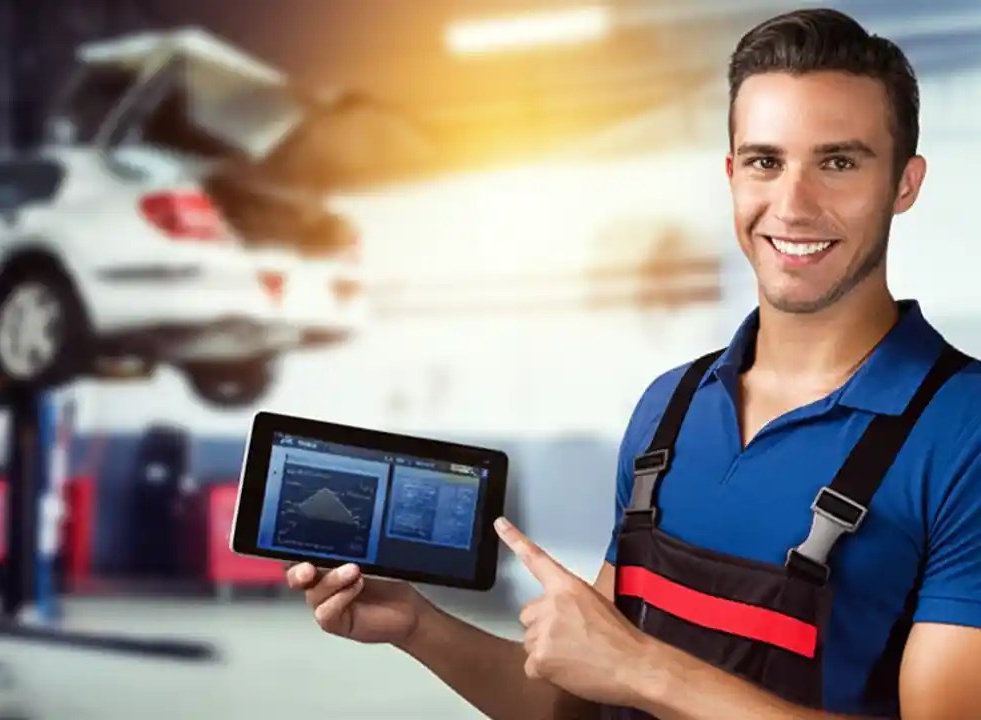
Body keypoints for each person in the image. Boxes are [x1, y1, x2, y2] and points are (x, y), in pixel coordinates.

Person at [285, 8, 981, 719]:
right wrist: (417, 626)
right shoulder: (671, 408)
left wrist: (645, 669)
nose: (792, 204)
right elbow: (577, 701)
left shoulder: (963, 435)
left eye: (838, 162)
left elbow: (626, 669)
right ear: (732, 173)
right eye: (765, 162)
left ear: (905, 183)